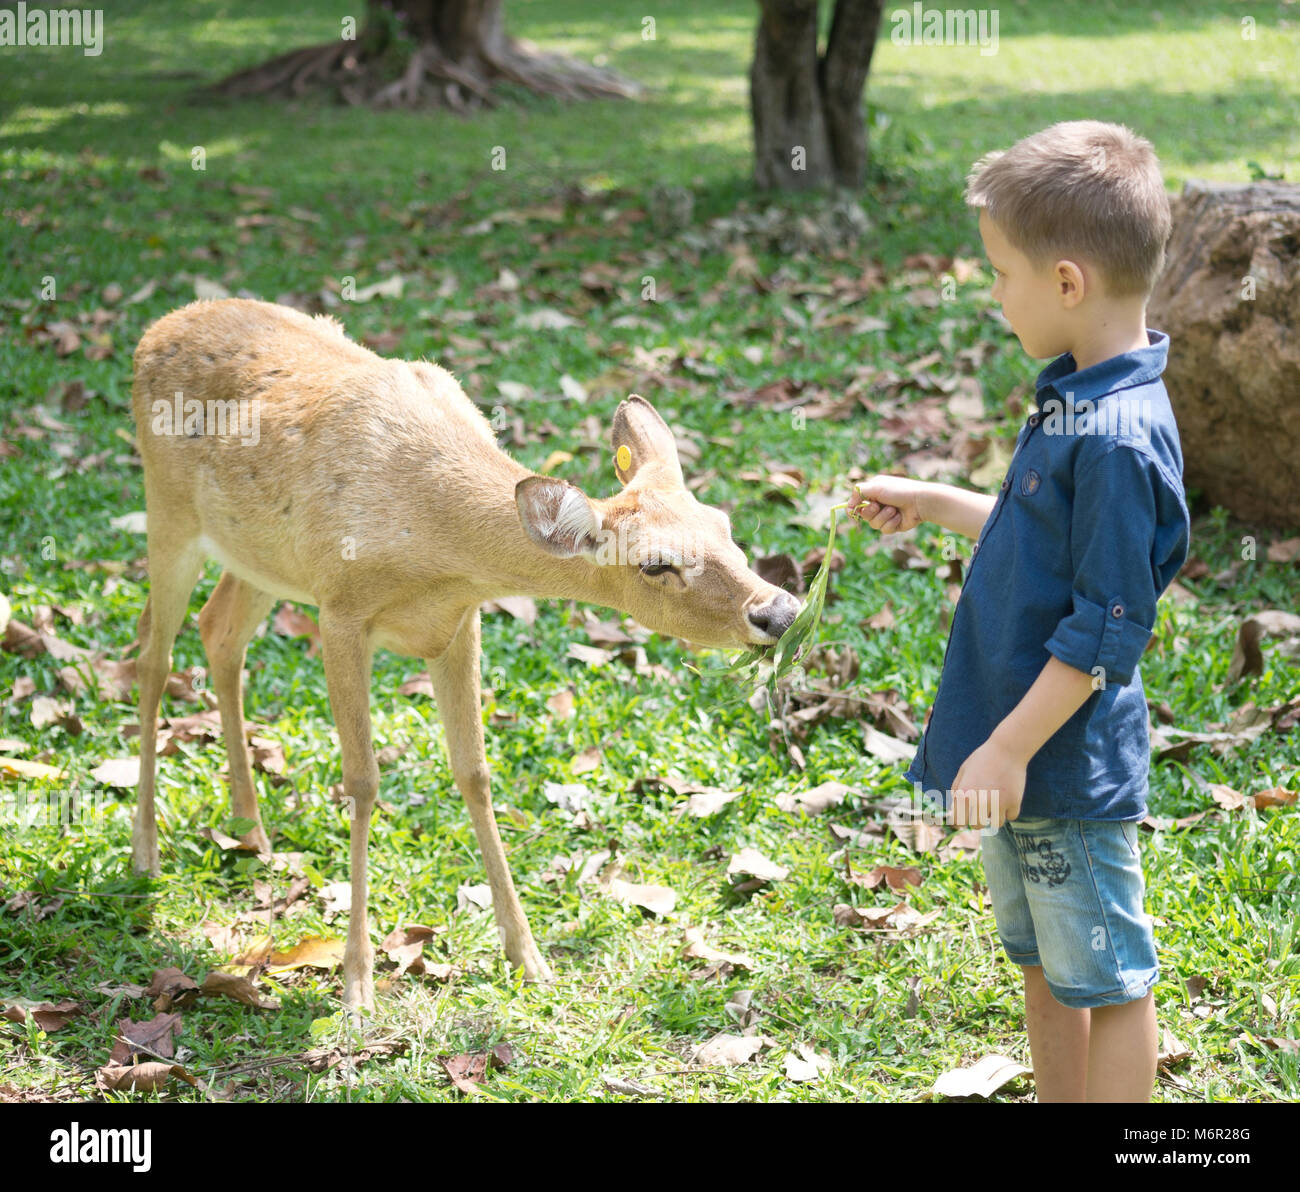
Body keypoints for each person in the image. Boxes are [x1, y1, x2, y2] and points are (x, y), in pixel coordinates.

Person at [848, 121, 1190, 1102]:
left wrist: (1004, 748)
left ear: (1067, 283)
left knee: (1109, 983)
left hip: (1061, 769)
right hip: (1017, 755)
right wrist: (938, 502)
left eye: (1001, 274)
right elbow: (1041, 536)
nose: (996, 294)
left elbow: (1105, 627)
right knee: (1045, 967)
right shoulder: (1075, 395)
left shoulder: (1120, 439)